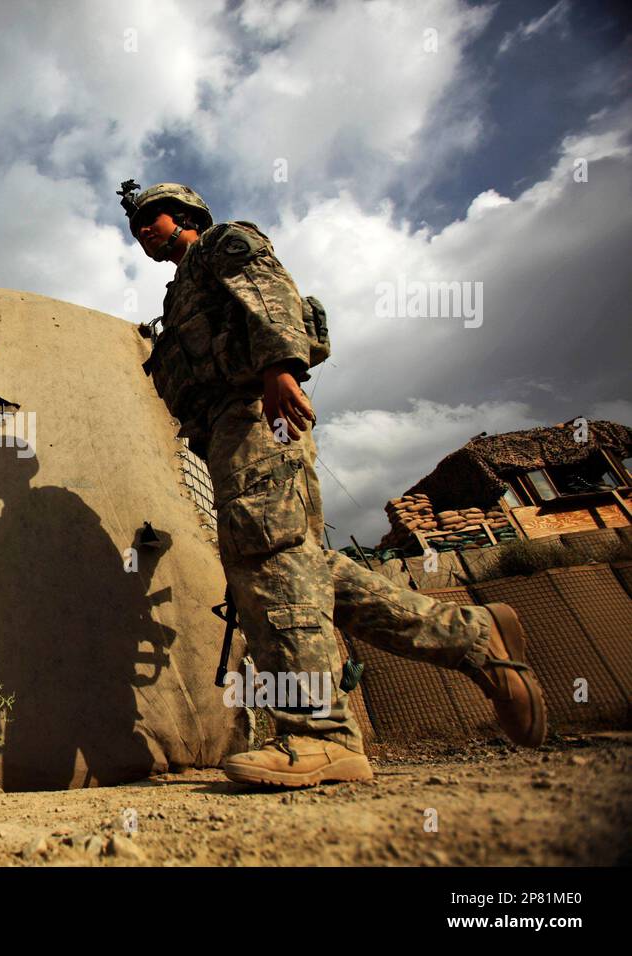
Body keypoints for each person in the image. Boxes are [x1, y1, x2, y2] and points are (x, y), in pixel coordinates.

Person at [120, 180, 547, 787]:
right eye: (135, 226)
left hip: (256, 414)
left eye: (151, 219)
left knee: (269, 563)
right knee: (304, 566)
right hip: (225, 430)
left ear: (184, 215)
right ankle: (475, 638)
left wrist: (279, 369)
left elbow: (270, 293)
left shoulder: (221, 244)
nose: (143, 232)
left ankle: (320, 735)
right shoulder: (179, 291)